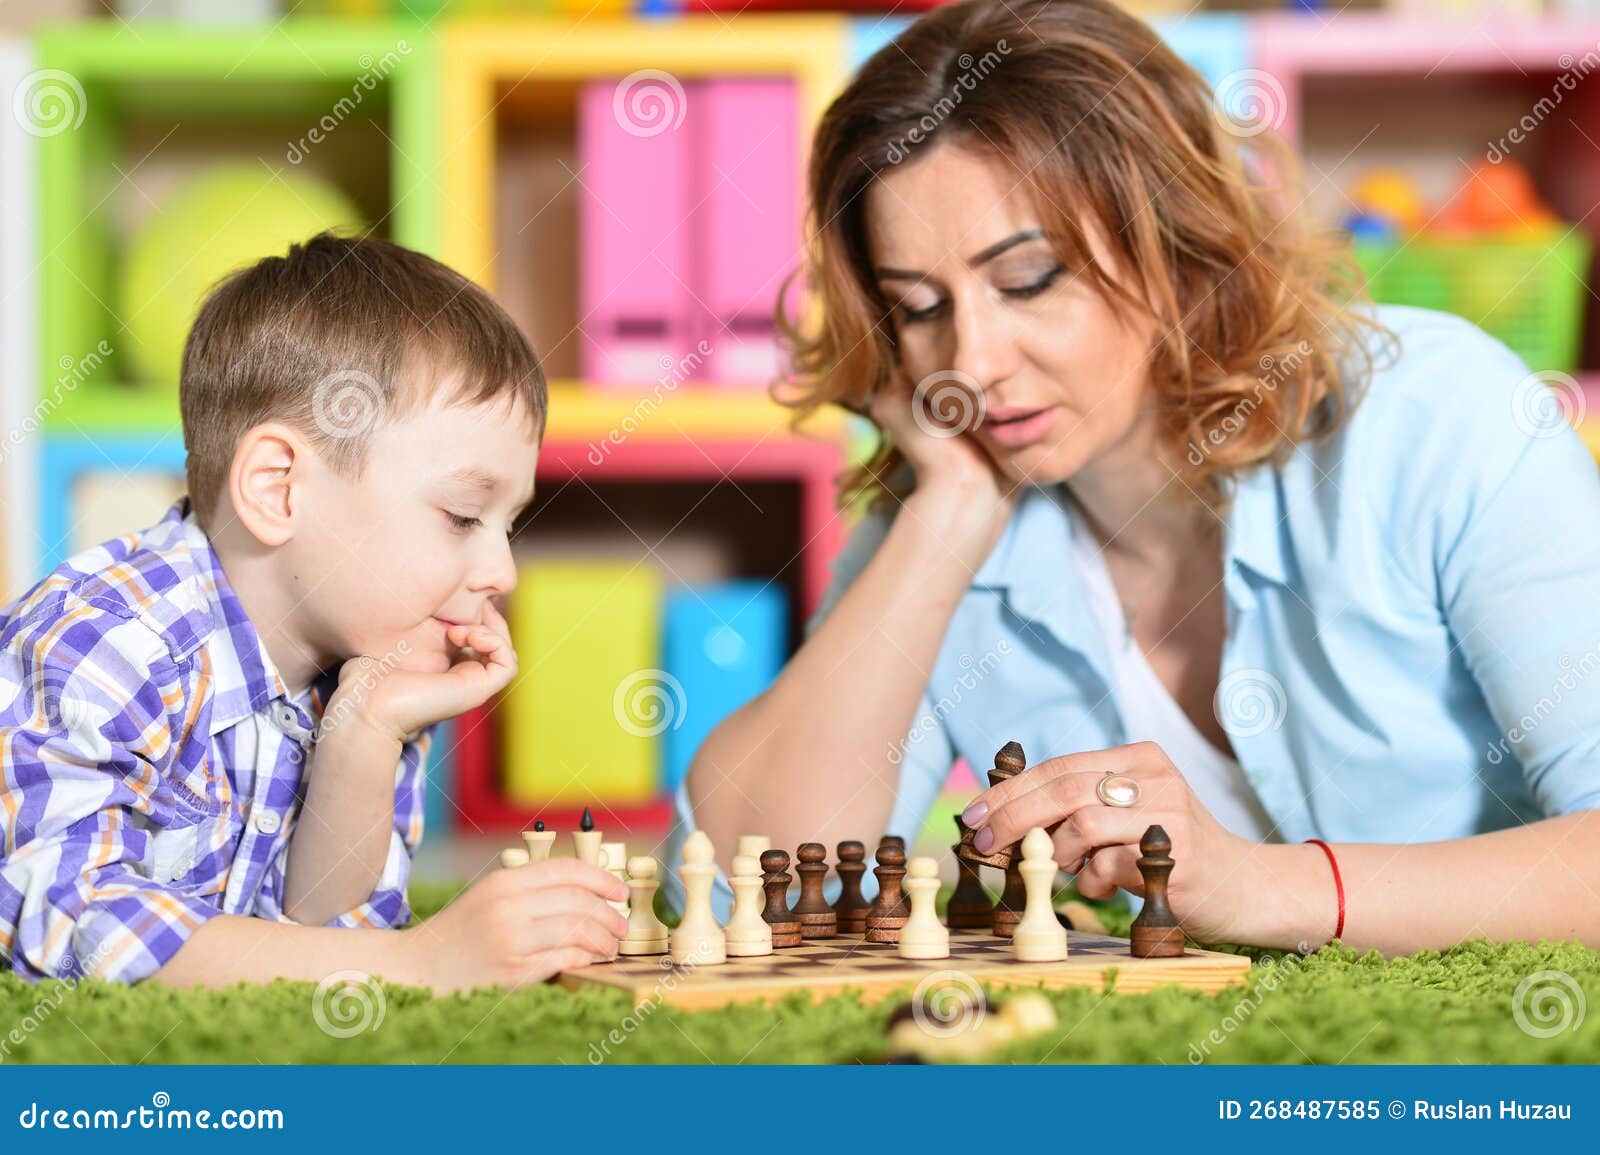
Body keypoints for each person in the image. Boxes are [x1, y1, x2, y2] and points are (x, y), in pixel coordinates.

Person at [673, 0, 1600, 953]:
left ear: (1175, 244)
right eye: (917, 307)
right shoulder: (948, 496)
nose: (970, 362)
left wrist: (1262, 886)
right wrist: (949, 513)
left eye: (1029, 279)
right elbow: (755, 875)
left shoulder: (1438, 417)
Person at [0, 233, 626, 990]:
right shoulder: (105, 643)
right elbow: (65, 921)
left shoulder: (368, 656)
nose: (502, 572)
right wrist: (416, 964)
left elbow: (318, 936)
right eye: (463, 516)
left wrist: (363, 731)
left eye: (509, 524)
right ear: (277, 489)